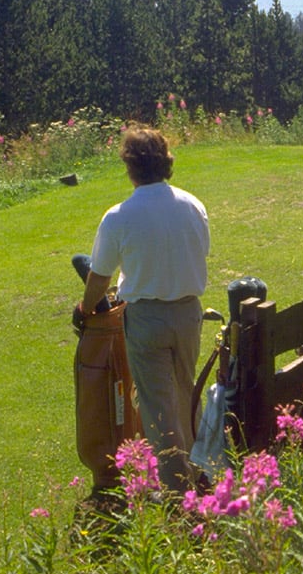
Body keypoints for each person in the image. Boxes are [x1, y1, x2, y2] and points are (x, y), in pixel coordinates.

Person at [75, 126, 210, 493]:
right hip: (188, 313)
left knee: (156, 406)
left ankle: (175, 490)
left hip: (147, 318)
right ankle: (202, 470)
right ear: (165, 162)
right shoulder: (193, 205)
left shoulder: (119, 216)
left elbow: (100, 276)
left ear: (130, 166)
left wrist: (86, 308)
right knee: (186, 391)